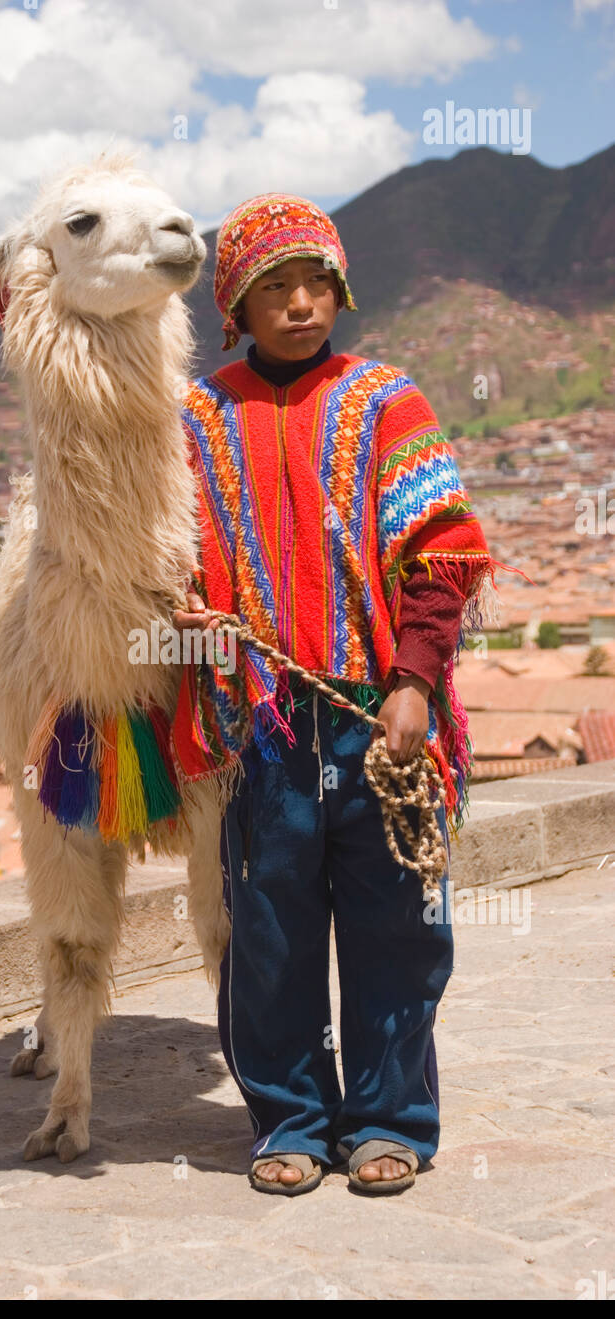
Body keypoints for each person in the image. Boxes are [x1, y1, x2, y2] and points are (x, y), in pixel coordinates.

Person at [171, 194, 502, 1196]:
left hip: (377, 712)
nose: (301, 303)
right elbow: (159, 544)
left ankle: (388, 1118)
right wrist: (177, 605)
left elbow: (441, 550)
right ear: (235, 300)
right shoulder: (195, 416)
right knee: (266, 931)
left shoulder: (384, 399)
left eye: (316, 283)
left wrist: (411, 682)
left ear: (340, 290)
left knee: (396, 926)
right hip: (261, 721)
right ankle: (290, 1120)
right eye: (274, 287)